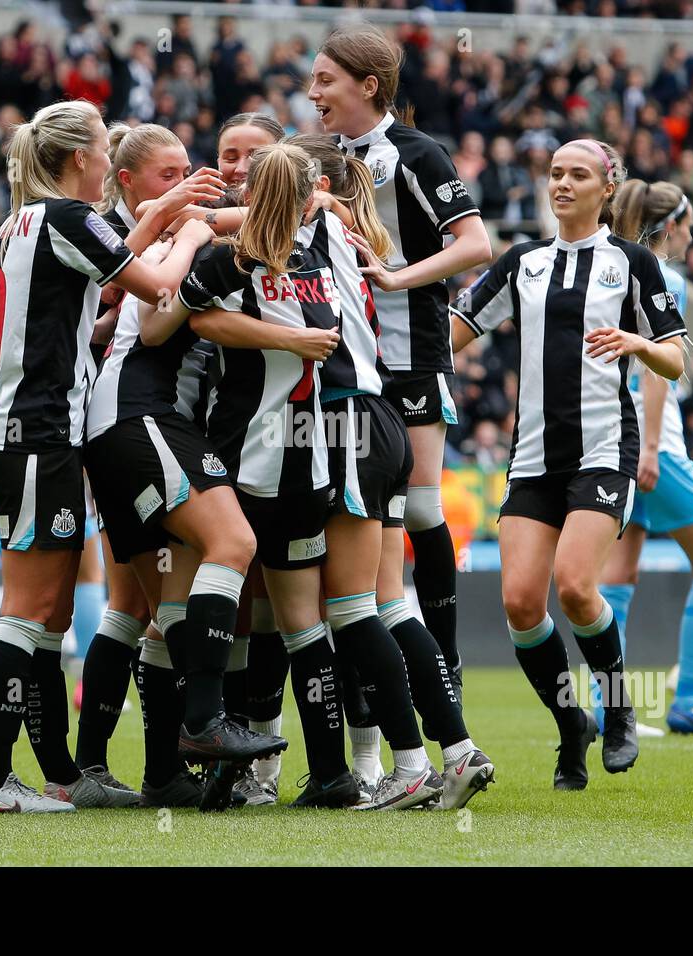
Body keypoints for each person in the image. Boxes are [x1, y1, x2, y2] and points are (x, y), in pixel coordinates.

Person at [0, 98, 221, 814]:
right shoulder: (68, 219)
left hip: (20, 430)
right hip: (38, 436)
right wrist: (193, 228)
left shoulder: (14, 227)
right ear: (80, 157)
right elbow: (155, 284)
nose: (111, 162)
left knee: (46, 618)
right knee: (27, 612)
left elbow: (92, 293)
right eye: (106, 149)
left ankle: (59, 773)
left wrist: (166, 209)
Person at [452, 139, 687, 791]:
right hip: (532, 459)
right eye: (555, 173)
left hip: (604, 451)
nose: (561, 183)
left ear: (607, 187)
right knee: (522, 604)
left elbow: (675, 359)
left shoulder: (633, 263)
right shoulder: (522, 262)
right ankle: (569, 729)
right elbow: (456, 330)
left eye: (577, 174)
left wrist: (639, 340)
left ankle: (617, 708)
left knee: (577, 587)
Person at [289, 132, 496, 809]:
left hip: (349, 422)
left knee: (354, 605)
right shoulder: (350, 233)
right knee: (381, 599)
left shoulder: (312, 233)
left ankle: (403, 762)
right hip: (376, 418)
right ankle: (443, 753)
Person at [157, 143, 365, 807]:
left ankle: (211, 754)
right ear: (309, 196)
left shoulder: (231, 258)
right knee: (301, 622)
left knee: (225, 609)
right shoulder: (318, 263)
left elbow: (181, 319)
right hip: (309, 458)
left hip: (241, 457)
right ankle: (331, 771)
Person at [311, 27, 493, 702]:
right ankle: (369, 679)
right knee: (358, 516)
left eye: (325, 80)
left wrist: (398, 277)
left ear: (368, 85)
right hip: (343, 367)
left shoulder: (415, 154)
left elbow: (475, 244)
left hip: (412, 360)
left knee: (417, 512)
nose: (313, 92)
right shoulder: (320, 160)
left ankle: (444, 661)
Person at [70, 122, 227, 799]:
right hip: (137, 419)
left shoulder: (167, 231)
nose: (188, 181)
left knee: (136, 607)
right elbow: (163, 309)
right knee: (227, 547)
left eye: (191, 167)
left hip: (129, 423)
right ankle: (202, 729)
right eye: (170, 173)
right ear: (126, 183)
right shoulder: (156, 237)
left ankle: (132, 770)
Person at [598, 179, 693, 738]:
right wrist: (654, 447)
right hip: (654, 445)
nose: (691, 234)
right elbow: (662, 369)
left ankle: (606, 708)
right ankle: (688, 701)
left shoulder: (613, 267)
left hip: (613, 439)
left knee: (619, 578)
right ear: (672, 225)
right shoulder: (667, 278)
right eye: (688, 224)